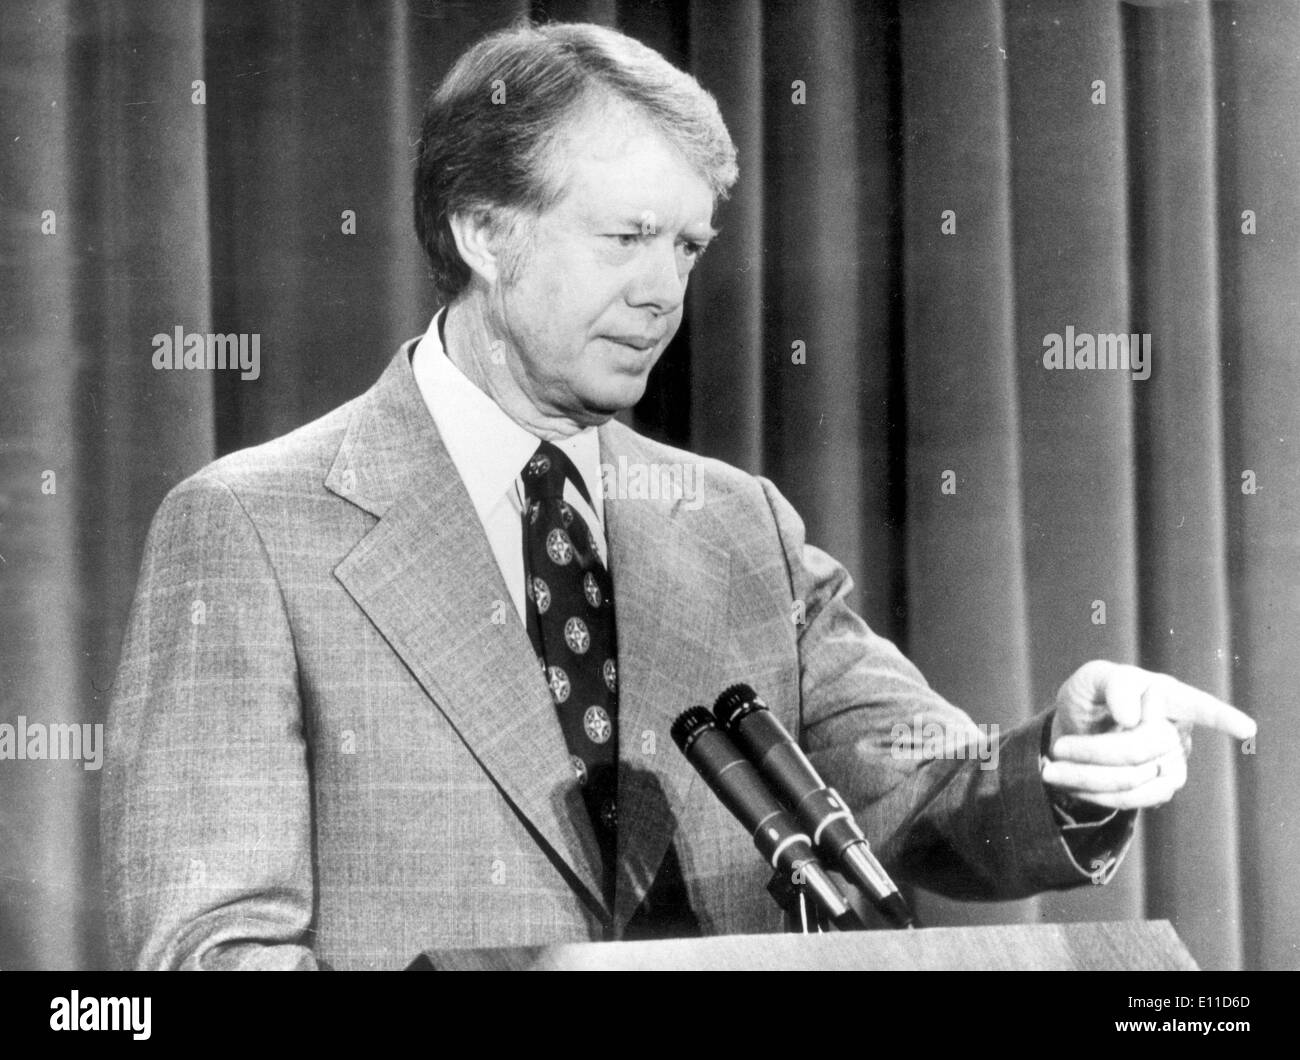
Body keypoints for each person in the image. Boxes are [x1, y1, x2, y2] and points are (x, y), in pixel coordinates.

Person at [101, 20, 1255, 971]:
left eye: (690, 248)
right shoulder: (252, 525)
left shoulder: (735, 523)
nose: (663, 292)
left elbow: (923, 795)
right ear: (483, 234)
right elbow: (214, 950)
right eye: (626, 237)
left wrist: (1067, 759)